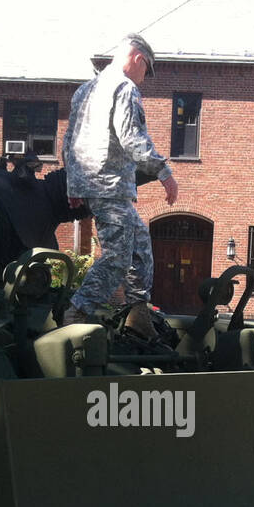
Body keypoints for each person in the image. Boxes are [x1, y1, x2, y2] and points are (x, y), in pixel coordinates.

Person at [61, 33, 178, 340]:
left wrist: (74, 184)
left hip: (94, 184)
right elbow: (131, 137)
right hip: (111, 185)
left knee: (140, 244)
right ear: (139, 59)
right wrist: (163, 171)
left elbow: (69, 140)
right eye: (147, 71)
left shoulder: (86, 90)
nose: (145, 79)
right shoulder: (125, 88)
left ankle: (138, 314)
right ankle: (76, 313)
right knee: (118, 257)